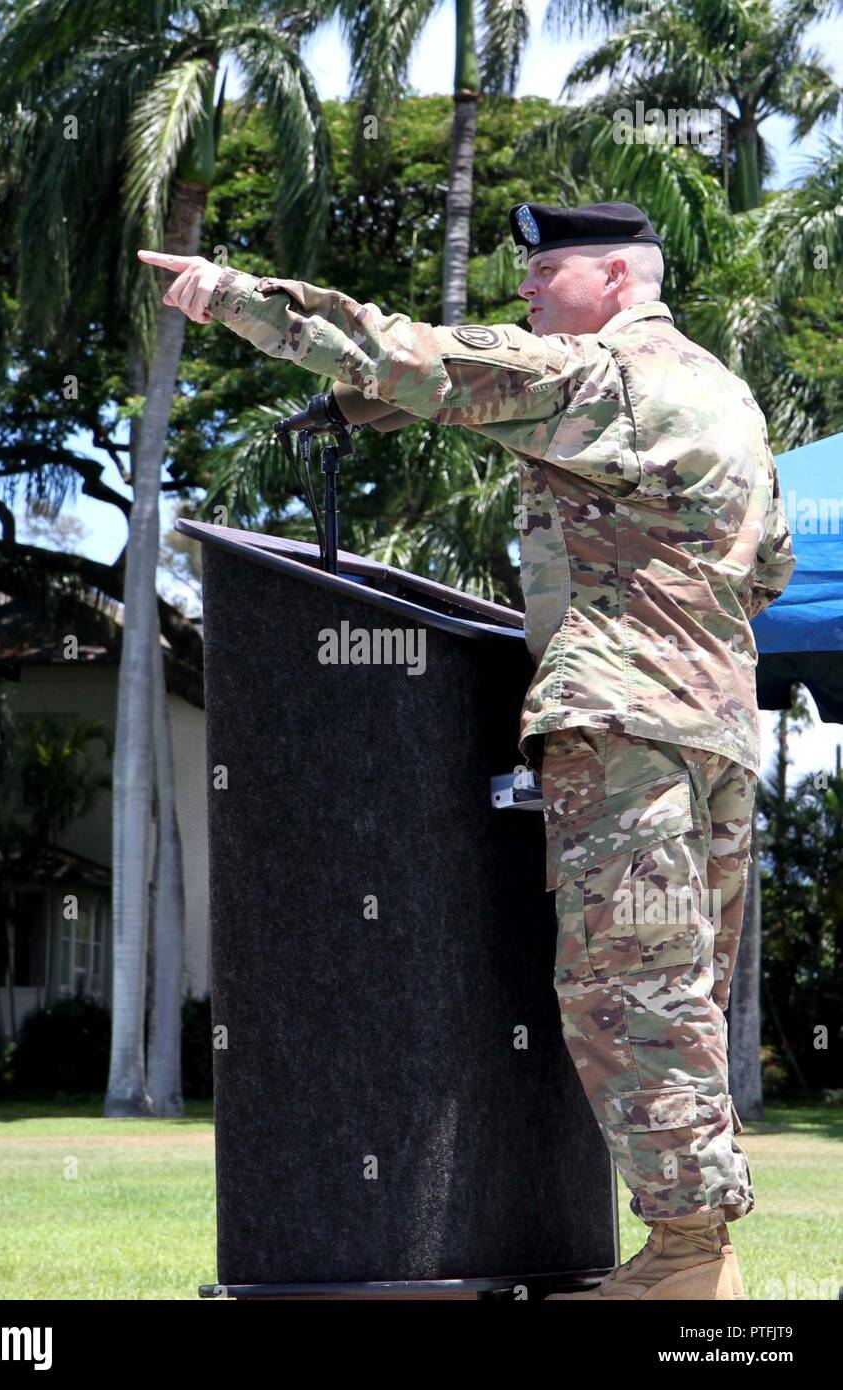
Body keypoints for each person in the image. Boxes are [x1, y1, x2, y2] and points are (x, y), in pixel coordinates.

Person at [138, 199, 795, 1300]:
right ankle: (693, 1250)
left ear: (620, 282)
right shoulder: (726, 397)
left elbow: (418, 358)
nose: (529, 292)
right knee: (684, 987)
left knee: (625, 989)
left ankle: (690, 1260)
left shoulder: (600, 376)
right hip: (717, 728)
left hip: (623, 722)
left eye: (550, 274)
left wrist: (231, 296)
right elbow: (765, 566)